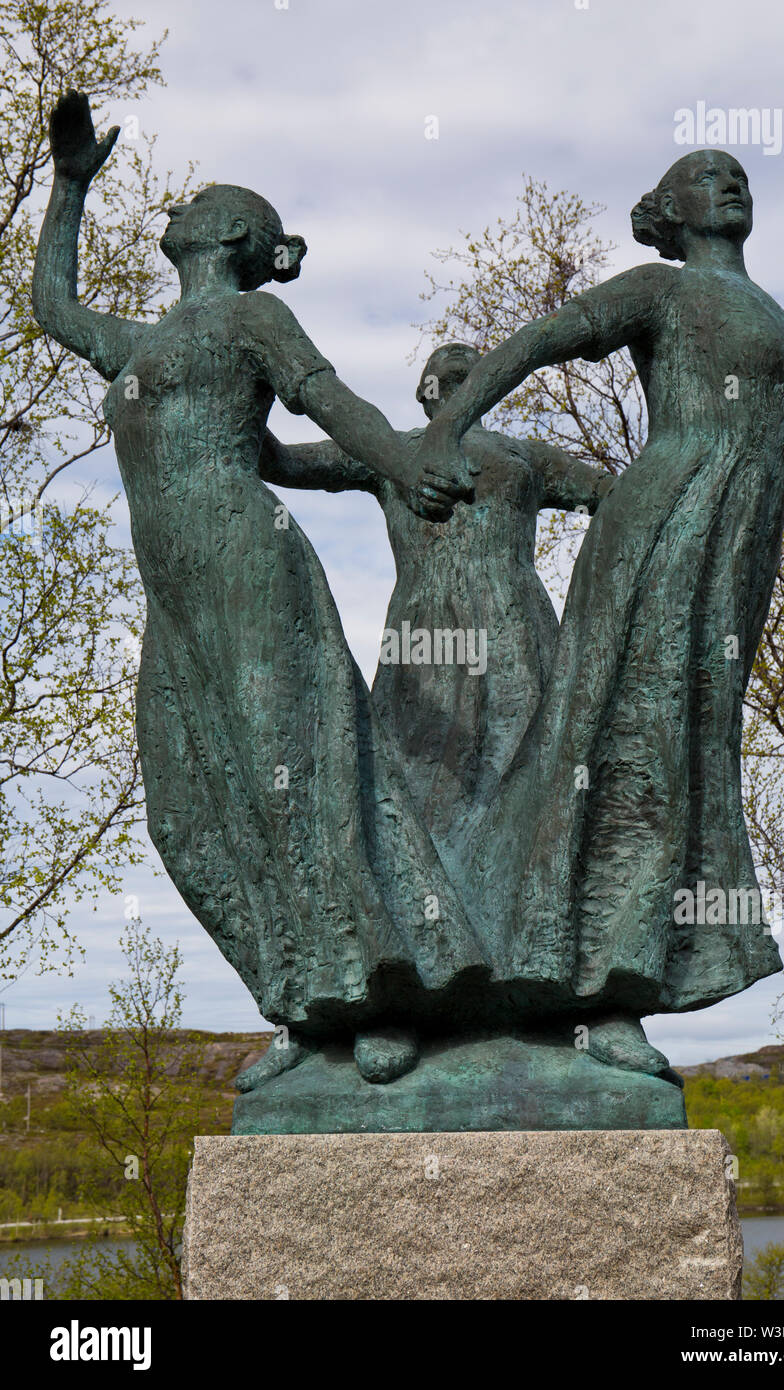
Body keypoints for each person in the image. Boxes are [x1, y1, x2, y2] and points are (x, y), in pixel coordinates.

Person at [33, 91, 483, 1087]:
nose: (171, 214)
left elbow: (329, 401)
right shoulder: (144, 346)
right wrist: (68, 189)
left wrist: (400, 466)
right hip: (177, 595)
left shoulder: (252, 317)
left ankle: (369, 993)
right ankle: (295, 991)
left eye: (189, 205)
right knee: (185, 806)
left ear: (231, 232)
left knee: (298, 783)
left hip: (250, 566)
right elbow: (51, 310)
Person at [414, 150, 784, 1077]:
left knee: (687, 752)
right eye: (705, 175)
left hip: (735, 557)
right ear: (670, 212)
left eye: (738, 174)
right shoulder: (662, 290)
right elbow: (535, 342)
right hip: (662, 526)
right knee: (627, 749)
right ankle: (597, 993)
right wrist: (448, 428)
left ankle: (610, 975)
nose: (730, 183)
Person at [258, 341, 614, 880]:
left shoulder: (527, 456)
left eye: (471, 369)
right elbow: (281, 462)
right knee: (417, 761)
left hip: (515, 620)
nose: (454, 366)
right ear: (422, 392)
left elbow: (609, 495)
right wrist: (242, 387)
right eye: (440, 369)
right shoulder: (388, 451)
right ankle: (429, 894)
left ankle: (519, 881)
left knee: (524, 750)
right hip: (423, 630)